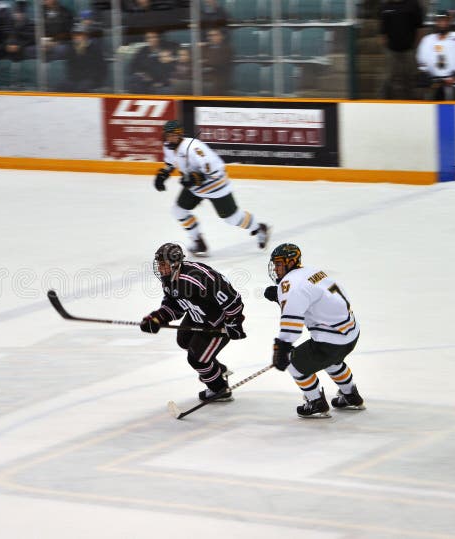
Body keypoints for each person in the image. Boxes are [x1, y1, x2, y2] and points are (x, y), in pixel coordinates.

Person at [264, 243, 362, 418]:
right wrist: (280, 295)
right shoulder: (311, 271)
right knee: (332, 361)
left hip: (331, 341)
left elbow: (292, 322)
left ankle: (315, 402)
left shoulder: (290, 284)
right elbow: (310, 295)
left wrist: (282, 347)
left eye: (279, 264)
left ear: (290, 262)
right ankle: (351, 395)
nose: (276, 269)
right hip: (351, 334)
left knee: (292, 362)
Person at [140, 243, 245, 402]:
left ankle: (219, 389)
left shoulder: (197, 278)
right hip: (198, 315)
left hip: (218, 323)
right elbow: (174, 305)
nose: (160, 269)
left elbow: (232, 298)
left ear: (175, 264)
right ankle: (217, 370)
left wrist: (234, 321)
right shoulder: (169, 279)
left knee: (197, 360)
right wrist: (157, 318)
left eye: (163, 264)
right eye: (159, 264)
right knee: (184, 340)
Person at [153, 120, 271, 256]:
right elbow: (170, 162)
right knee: (178, 211)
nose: (170, 138)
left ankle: (259, 228)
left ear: (180, 135)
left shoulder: (194, 148)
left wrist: (195, 178)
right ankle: (198, 242)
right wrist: (164, 174)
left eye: (173, 135)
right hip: (195, 187)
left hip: (215, 185)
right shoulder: (168, 146)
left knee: (232, 218)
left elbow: (215, 170)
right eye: (167, 135)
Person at [416, 10, 455, 101]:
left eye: (445, 20)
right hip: (436, 86)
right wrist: (425, 77)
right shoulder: (427, 40)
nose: (443, 23)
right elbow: (422, 66)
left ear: (450, 21)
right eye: (440, 20)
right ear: (436, 22)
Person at [378, 0, 424, 99]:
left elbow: (419, 28)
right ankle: (383, 101)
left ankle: (414, 101)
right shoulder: (385, 6)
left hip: (409, 50)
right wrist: (387, 47)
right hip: (391, 51)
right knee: (388, 78)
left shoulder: (413, 4)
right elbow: (382, 31)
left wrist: (414, 47)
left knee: (411, 78)